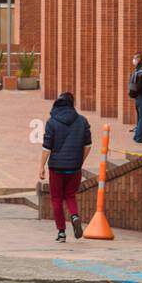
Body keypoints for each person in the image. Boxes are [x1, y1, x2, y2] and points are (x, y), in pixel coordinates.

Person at [39, 92, 92, 242]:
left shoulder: (52, 122)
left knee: (56, 198)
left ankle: (61, 233)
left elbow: (46, 147)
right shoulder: (82, 121)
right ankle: (74, 216)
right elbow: (88, 145)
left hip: (56, 167)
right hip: (74, 167)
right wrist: (80, 161)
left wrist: (41, 166)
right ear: (72, 104)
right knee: (70, 195)